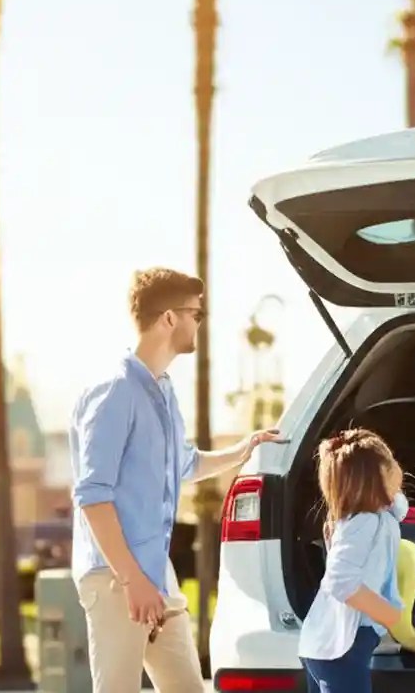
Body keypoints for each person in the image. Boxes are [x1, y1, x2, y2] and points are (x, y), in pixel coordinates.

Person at [69, 267, 281, 693]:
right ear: (169, 318)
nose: (199, 323)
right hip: (115, 577)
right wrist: (131, 580)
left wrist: (244, 449)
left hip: (154, 573)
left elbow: (185, 465)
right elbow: (92, 497)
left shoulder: (162, 391)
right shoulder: (115, 392)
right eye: (195, 315)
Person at [298, 428, 409, 693]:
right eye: (391, 463)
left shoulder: (380, 513)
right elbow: (340, 582)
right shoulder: (363, 523)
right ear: (375, 478)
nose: (398, 468)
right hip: (341, 647)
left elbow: (400, 509)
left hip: (334, 643)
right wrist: (388, 612)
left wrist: (387, 490)